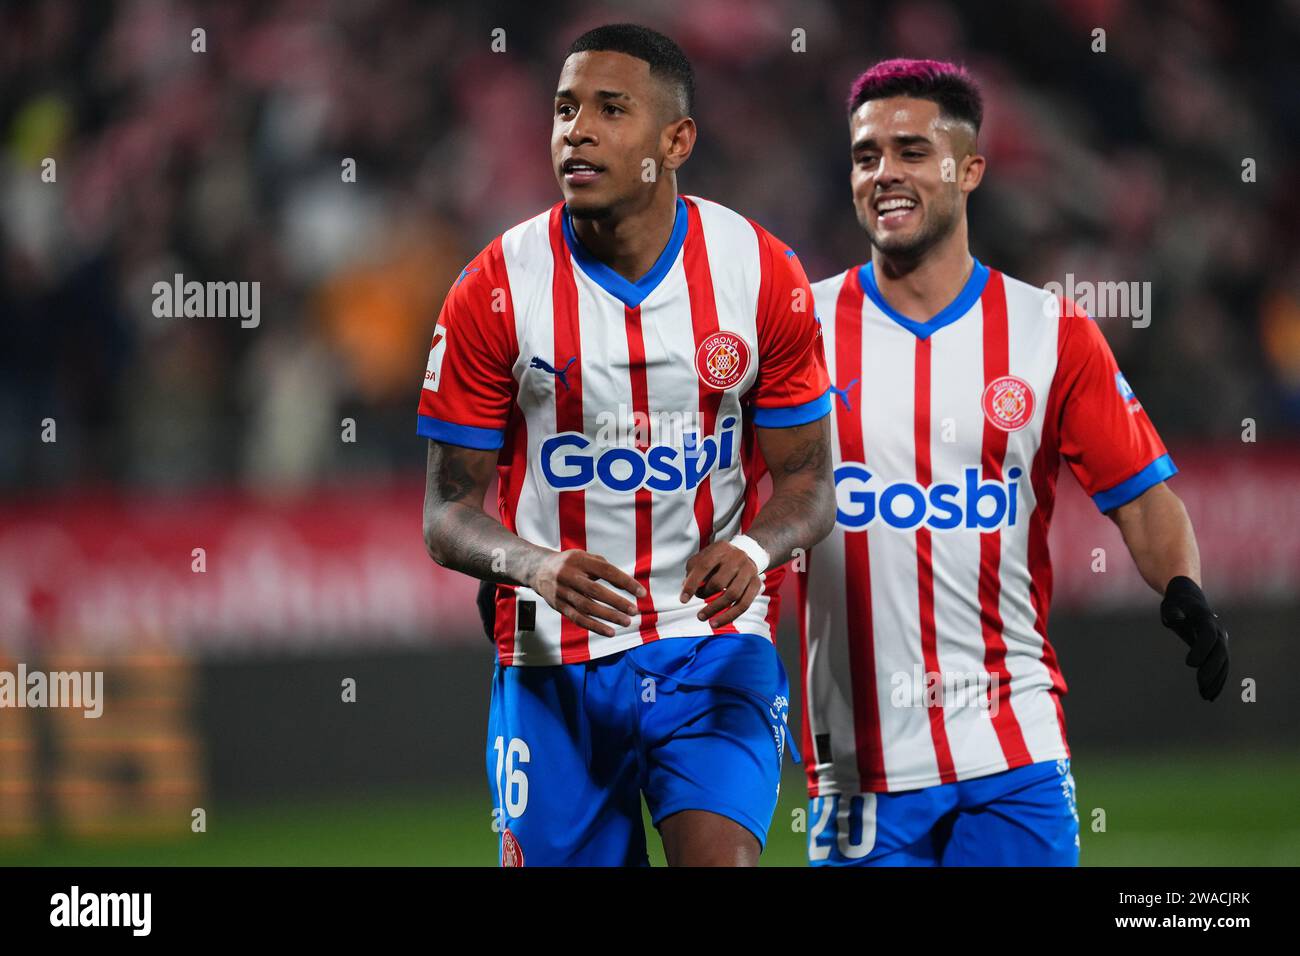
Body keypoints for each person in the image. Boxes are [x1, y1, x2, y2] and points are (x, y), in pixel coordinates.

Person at [418, 24, 835, 866]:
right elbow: (446, 515)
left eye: (612, 109)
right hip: (552, 660)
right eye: (566, 108)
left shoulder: (759, 273)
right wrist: (534, 566)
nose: (579, 129)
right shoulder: (494, 288)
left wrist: (755, 547)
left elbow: (812, 483)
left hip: (710, 645)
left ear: (675, 140)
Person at [800, 58, 1229, 866]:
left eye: (911, 151)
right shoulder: (797, 329)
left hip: (1013, 747)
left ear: (970, 170)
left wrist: (1184, 591)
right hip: (859, 765)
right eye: (865, 157)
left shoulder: (1049, 330)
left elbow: (1142, 499)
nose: (884, 174)